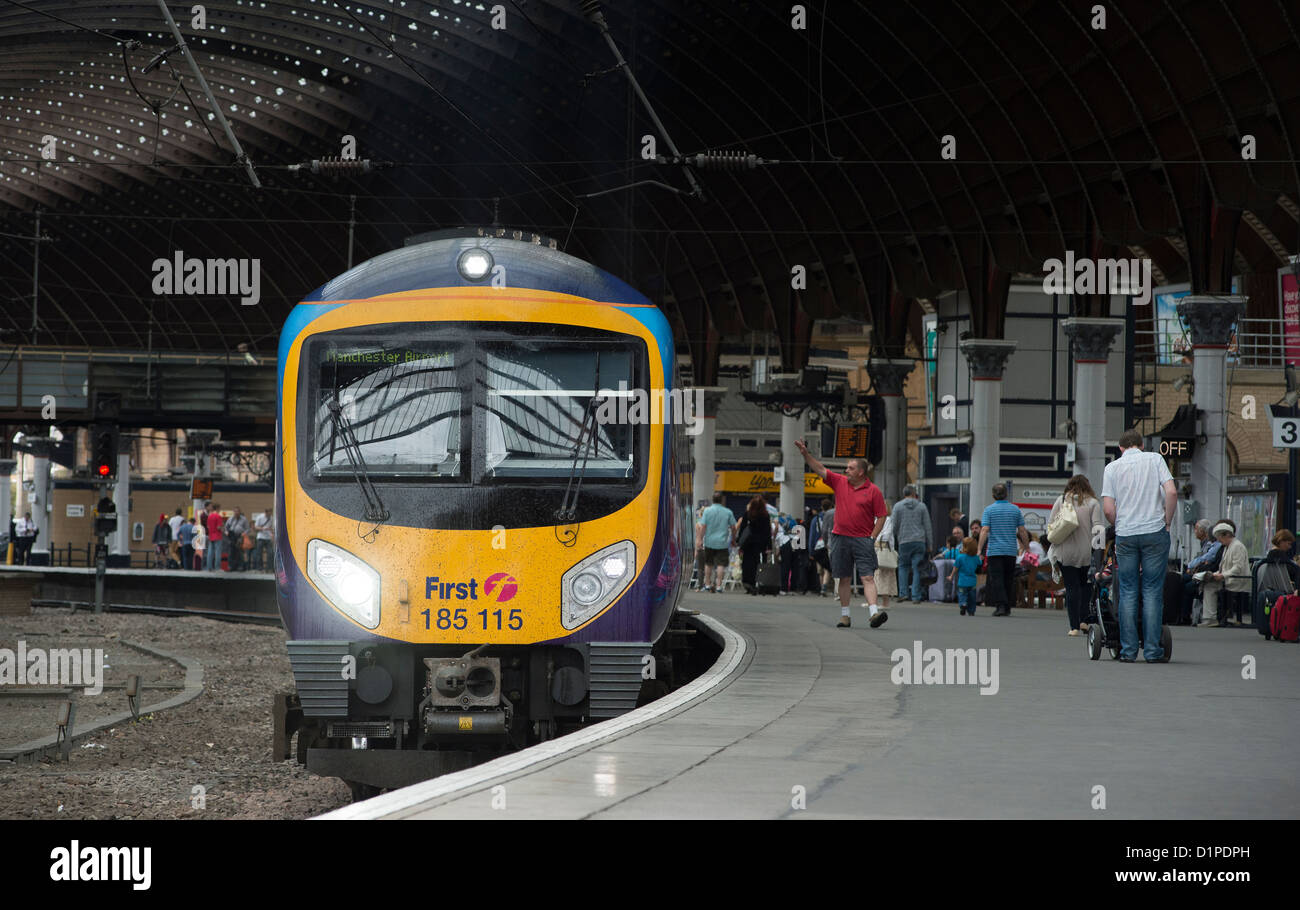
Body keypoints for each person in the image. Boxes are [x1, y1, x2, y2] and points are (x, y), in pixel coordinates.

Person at [793, 439, 888, 629]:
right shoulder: (840, 482)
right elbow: (820, 469)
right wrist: (805, 454)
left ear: (861, 472)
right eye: (847, 468)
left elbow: (882, 516)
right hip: (840, 537)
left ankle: (874, 613)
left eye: (851, 468)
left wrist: (872, 537)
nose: (846, 470)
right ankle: (845, 616)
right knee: (843, 578)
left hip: (863, 539)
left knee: (867, 577)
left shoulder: (873, 491)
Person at [1101, 429, 1178, 661]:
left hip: (1126, 534)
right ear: (1142, 445)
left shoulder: (1111, 468)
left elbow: (1107, 509)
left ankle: (1128, 651)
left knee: (1128, 591)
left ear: (1121, 448)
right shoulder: (1156, 459)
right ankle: (1153, 651)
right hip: (1155, 531)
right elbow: (1172, 492)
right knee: (1153, 591)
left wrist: (1120, 523)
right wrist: (1167, 521)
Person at [1048, 474, 1106, 637]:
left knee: (1072, 588)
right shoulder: (1093, 503)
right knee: (1086, 587)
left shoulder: (1061, 500)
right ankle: (1084, 621)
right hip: (1085, 553)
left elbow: (1051, 523)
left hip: (1065, 553)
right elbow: (1098, 527)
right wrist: (1099, 551)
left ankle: (1073, 627)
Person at [978, 483, 1029, 617]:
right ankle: (1007, 606)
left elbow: (985, 530)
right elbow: (1022, 530)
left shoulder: (989, 510)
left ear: (993, 495)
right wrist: (1027, 546)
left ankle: (1001, 605)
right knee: (1008, 578)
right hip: (1011, 550)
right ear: (1006, 494)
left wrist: (979, 549)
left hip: (995, 550)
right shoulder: (1015, 510)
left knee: (997, 579)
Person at [1198, 522, 1249, 627]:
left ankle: (1210, 618)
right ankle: (1209, 617)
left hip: (1238, 579)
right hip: (1229, 578)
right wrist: (1215, 574)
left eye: (1219, 537)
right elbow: (1224, 567)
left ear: (1226, 535)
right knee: (1207, 584)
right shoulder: (1227, 547)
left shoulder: (1237, 546)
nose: (1218, 540)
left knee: (1210, 586)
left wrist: (1222, 575)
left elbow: (1237, 568)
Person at [893, 484, 933, 603]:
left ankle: (903, 593)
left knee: (903, 567)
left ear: (904, 494)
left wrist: (894, 539)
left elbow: (894, 525)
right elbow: (927, 526)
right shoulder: (922, 506)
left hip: (904, 541)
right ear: (914, 494)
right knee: (917, 568)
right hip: (919, 541)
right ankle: (916, 596)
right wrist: (930, 544)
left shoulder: (897, 506)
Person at [1180, 519, 1221, 625]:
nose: (1195, 531)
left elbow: (1206, 558)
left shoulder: (1214, 546)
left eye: (1197, 529)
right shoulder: (1209, 545)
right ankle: (1182, 614)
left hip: (1210, 574)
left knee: (1187, 585)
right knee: (1182, 580)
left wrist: (1191, 566)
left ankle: (1184, 616)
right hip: (1204, 571)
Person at [696, 492, 736, 593]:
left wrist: (700, 539)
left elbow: (703, 526)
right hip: (722, 542)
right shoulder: (728, 512)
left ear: (713, 499)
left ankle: (708, 584)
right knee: (720, 564)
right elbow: (733, 527)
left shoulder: (707, 511)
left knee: (708, 563)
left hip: (709, 542)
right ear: (722, 500)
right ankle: (718, 586)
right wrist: (733, 539)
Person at [735, 495, 772, 594]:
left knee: (747, 563)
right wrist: (769, 545)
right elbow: (768, 531)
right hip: (761, 544)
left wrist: (739, 542)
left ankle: (748, 582)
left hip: (748, 543)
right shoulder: (765, 515)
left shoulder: (748, 514)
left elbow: (743, 529)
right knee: (759, 563)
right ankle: (759, 583)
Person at [873, 506, 897, 611]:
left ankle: (885, 602)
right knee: (876, 576)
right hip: (878, 549)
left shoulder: (888, 520)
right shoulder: (875, 519)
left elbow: (886, 534)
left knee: (884, 576)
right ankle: (874, 601)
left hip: (882, 548)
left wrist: (875, 538)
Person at [951, 536, 982, 615]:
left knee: (962, 594)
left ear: (964, 547)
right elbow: (980, 563)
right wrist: (979, 557)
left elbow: (955, 568)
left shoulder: (960, 557)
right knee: (972, 597)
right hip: (972, 581)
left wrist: (951, 576)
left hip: (962, 581)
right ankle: (971, 611)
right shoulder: (975, 558)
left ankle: (963, 604)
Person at [225, 506, 250, 572]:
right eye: (235, 511)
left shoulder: (244, 519)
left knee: (240, 552)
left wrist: (243, 534)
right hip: (232, 536)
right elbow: (226, 527)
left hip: (240, 536)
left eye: (238, 511)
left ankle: (240, 566)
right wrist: (226, 532)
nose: (236, 513)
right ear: (233, 512)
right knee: (231, 552)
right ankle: (231, 566)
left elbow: (247, 529)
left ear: (240, 512)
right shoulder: (230, 519)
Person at [939, 535, 961, 602]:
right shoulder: (959, 552)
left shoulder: (947, 553)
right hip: (958, 571)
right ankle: (956, 596)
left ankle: (948, 595)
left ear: (948, 543)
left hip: (948, 571)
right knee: (957, 583)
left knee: (948, 583)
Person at [205, 504, 226, 572]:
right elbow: (218, 527)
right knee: (217, 553)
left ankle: (209, 567)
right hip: (217, 536)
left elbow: (208, 526)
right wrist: (224, 529)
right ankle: (217, 568)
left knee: (210, 552)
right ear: (217, 508)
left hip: (211, 536)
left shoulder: (209, 516)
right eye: (219, 509)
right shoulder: (218, 516)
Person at [253, 507, 274, 572]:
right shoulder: (260, 517)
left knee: (270, 553)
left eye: (270, 514)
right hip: (260, 537)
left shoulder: (271, 518)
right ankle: (260, 568)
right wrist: (263, 528)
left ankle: (269, 568)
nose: (269, 515)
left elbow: (272, 528)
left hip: (268, 538)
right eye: (268, 514)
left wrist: (272, 534)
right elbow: (255, 527)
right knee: (259, 553)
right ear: (266, 512)